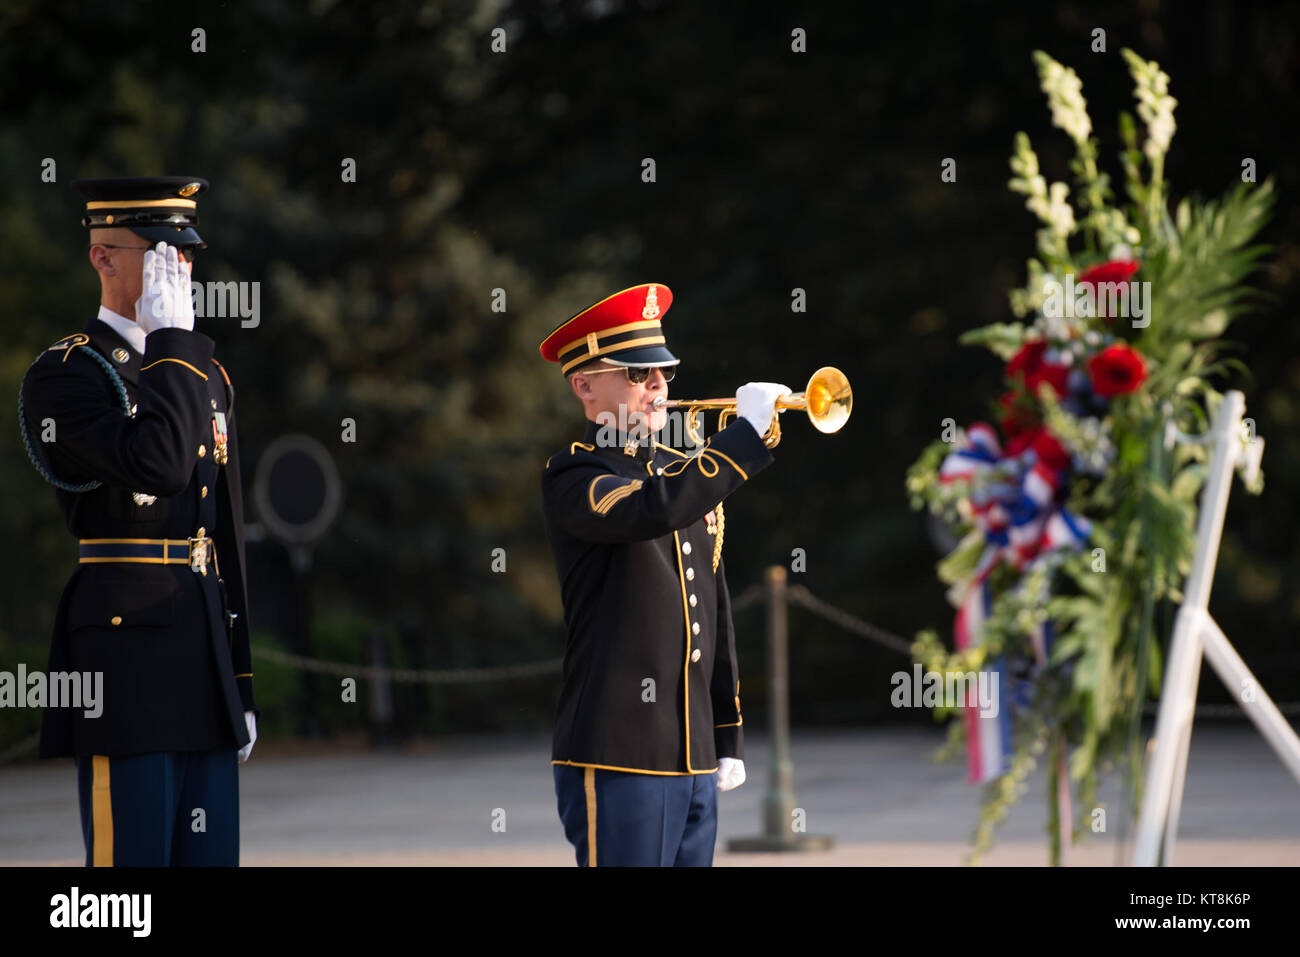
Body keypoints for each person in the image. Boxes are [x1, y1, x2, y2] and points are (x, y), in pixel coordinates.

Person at [18, 176, 257, 866]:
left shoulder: (205, 375)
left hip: (203, 659)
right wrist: (173, 343)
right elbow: (159, 465)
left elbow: (224, 533)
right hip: (124, 668)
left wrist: (240, 684)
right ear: (103, 257)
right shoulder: (69, 375)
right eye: (158, 255)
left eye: (184, 256)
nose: (176, 271)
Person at [539, 282, 790, 866]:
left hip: (693, 754)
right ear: (584, 386)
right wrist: (742, 439)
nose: (657, 387)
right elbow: (648, 509)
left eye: (663, 374)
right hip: (619, 753)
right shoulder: (575, 476)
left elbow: (713, 606)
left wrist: (725, 734)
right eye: (636, 374)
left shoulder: (680, 475)